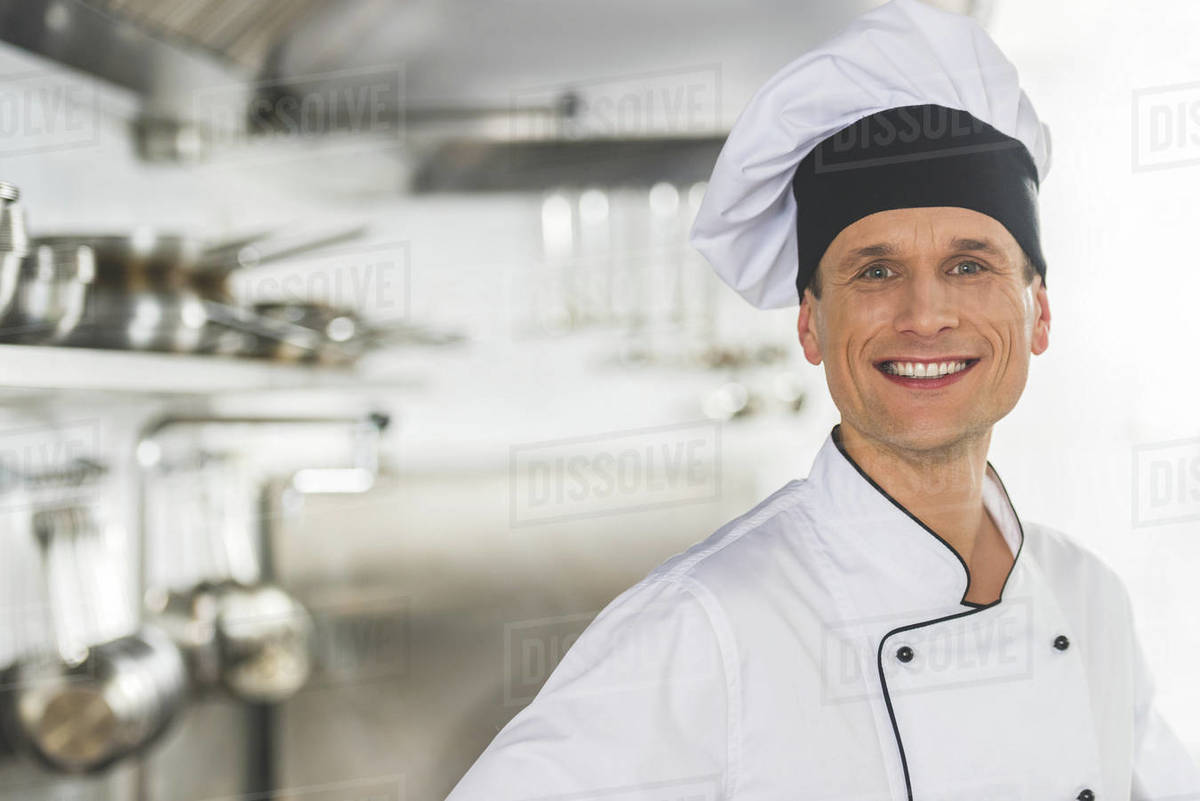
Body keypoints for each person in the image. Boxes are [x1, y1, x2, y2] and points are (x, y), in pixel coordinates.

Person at [444, 1, 1200, 799]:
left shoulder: (1090, 599)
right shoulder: (707, 625)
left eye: (969, 264)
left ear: (1038, 311)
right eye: (875, 271)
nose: (924, 314)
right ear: (811, 323)